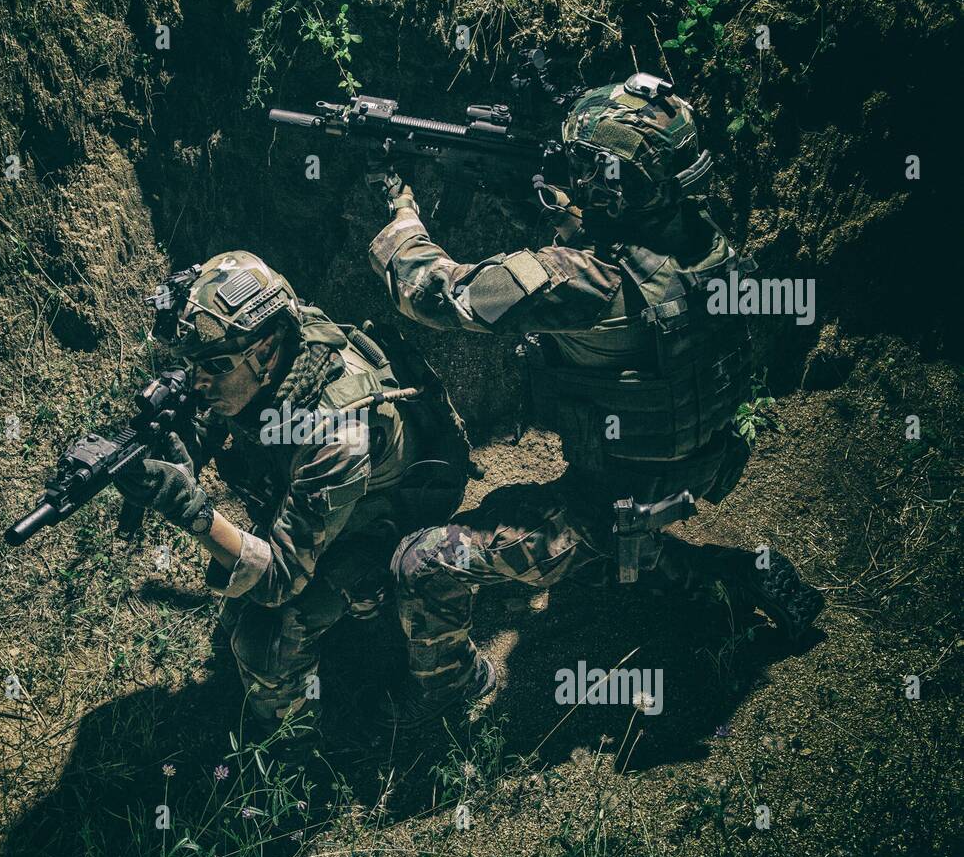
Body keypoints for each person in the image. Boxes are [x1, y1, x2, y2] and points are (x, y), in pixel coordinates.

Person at [363, 73, 825, 728]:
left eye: (583, 165)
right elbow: (603, 252)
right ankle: (720, 575)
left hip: (604, 500)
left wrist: (397, 208)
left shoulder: (581, 280)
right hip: (698, 468)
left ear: (614, 181)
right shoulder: (700, 238)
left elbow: (434, 293)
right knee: (606, 529)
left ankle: (448, 694)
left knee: (418, 563)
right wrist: (544, 203)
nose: (571, 175)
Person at [113, 250, 474, 755]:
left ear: (265, 351)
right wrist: (186, 442)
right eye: (191, 366)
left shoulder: (336, 430)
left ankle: (298, 752)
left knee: (263, 638)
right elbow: (217, 417)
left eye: (215, 367)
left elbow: (280, 580)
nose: (199, 382)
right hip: (325, 504)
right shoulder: (280, 349)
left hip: (380, 529)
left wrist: (188, 507)